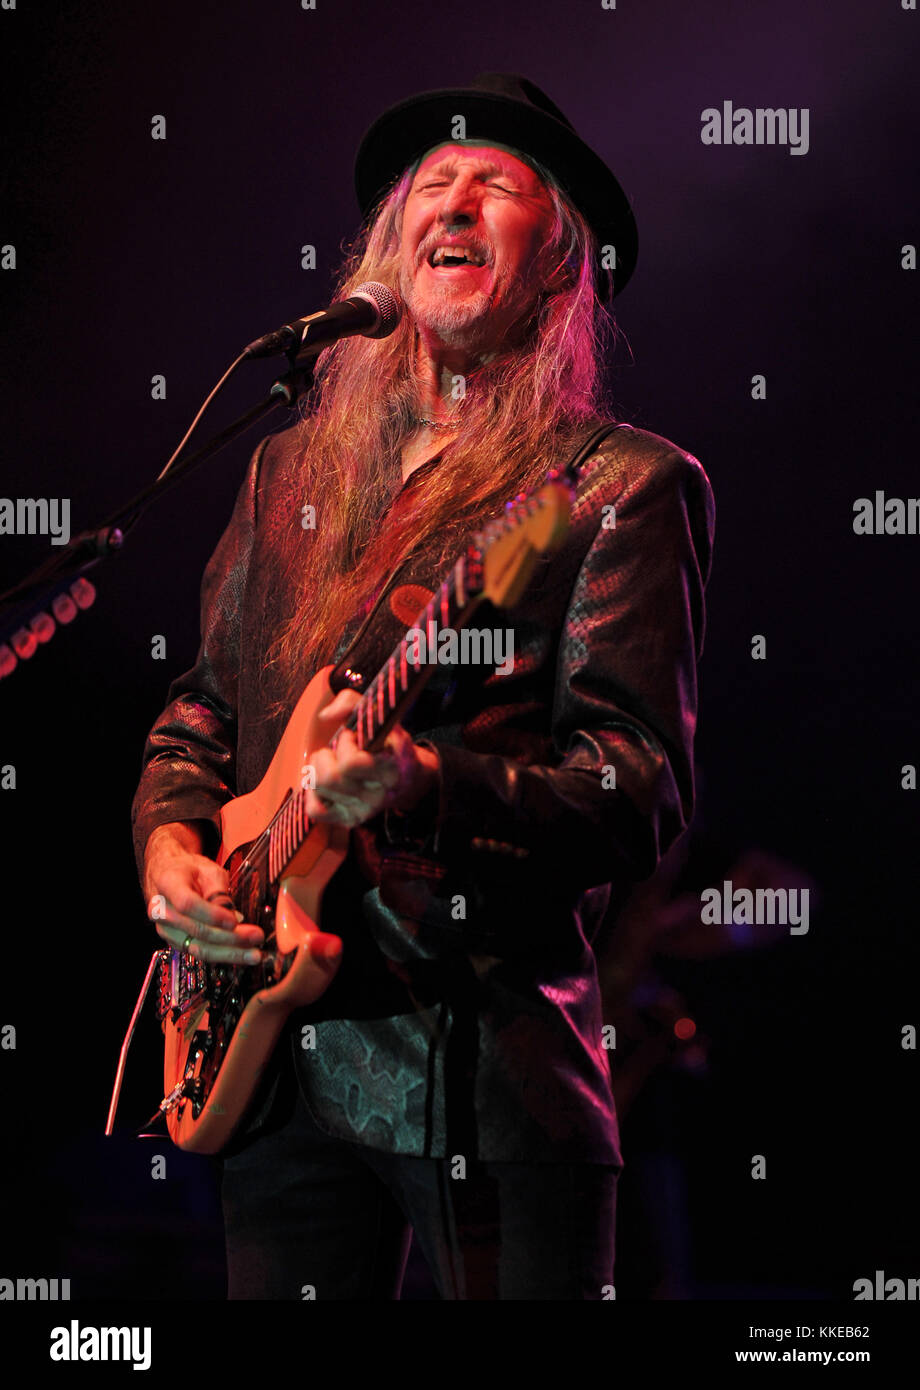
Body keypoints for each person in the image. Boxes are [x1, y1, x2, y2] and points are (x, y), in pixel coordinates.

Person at [132, 72, 716, 1300]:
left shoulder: (613, 484)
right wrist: (169, 851)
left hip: (485, 1070)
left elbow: (635, 786)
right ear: (386, 255)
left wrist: (417, 779)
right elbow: (200, 713)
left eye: (496, 186)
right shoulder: (289, 471)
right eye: (429, 189)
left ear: (558, 265)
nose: (453, 203)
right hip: (272, 1056)